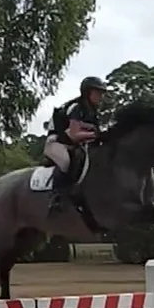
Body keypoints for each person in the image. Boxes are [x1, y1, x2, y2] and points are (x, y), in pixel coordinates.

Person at [44, 76, 108, 211]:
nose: (100, 97)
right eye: (98, 93)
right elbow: (73, 135)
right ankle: (56, 197)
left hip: (76, 146)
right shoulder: (76, 108)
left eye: (101, 93)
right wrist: (96, 135)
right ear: (87, 92)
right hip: (56, 143)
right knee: (66, 162)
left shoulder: (92, 112)